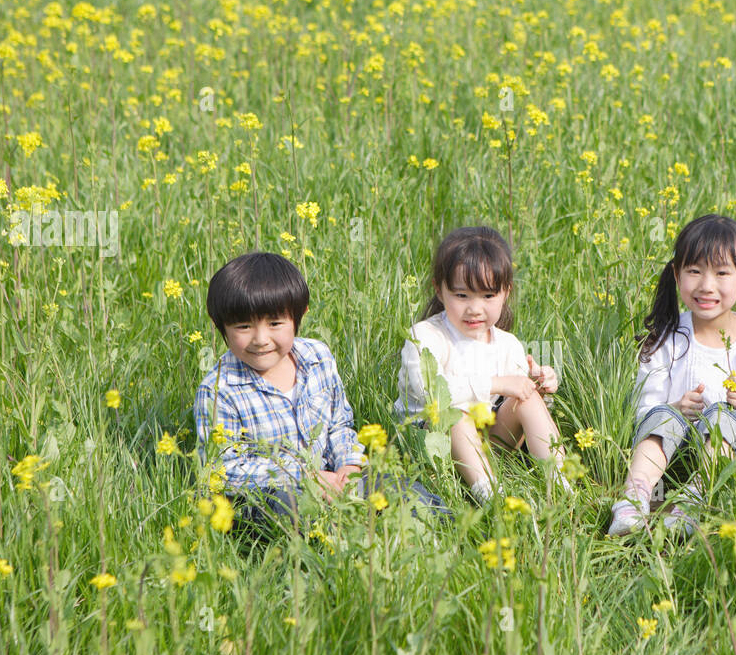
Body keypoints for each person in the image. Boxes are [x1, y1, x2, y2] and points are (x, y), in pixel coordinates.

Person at [194, 251, 447, 532]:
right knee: (284, 508)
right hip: (272, 491)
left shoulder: (317, 357)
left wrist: (349, 467)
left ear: (298, 316)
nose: (260, 339)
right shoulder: (219, 389)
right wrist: (306, 477)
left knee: (395, 484)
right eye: (243, 327)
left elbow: (339, 425)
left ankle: (444, 526)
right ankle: (341, 533)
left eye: (275, 323)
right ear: (221, 327)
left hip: (334, 477)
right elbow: (223, 471)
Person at [607, 214, 736, 537]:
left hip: (726, 453)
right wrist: (674, 407)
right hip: (666, 452)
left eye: (721, 273)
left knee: (721, 420)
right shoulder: (666, 338)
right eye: (694, 271)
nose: (706, 286)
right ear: (676, 275)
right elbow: (643, 410)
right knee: (663, 416)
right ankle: (634, 498)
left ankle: (694, 501)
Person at [395, 226, 569, 503]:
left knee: (528, 399)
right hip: (434, 443)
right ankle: (490, 495)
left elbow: (513, 398)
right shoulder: (426, 337)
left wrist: (535, 384)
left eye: (488, 296)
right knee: (455, 416)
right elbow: (430, 393)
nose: (474, 308)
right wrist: (497, 383)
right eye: (462, 296)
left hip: (490, 441)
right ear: (439, 291)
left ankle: (559, 483)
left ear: (505, 293)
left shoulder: (507, 343)